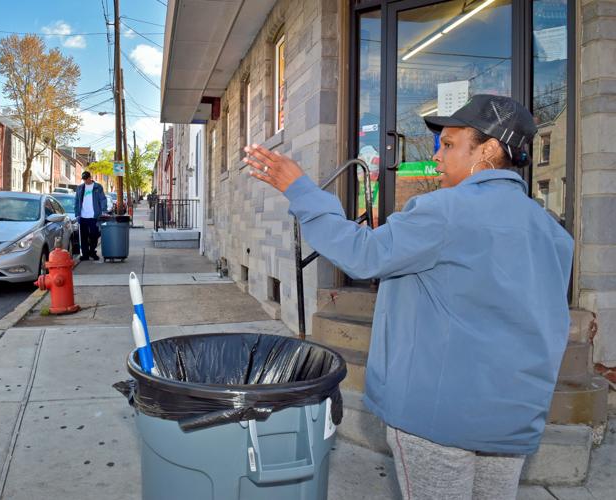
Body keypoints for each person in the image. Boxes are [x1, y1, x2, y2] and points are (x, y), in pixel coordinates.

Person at [244, 94, 573, 500]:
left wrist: (301, 191)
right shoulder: (553, 231)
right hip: (513, 414)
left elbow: (362, 254)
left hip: (439, 416)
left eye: (449, 144)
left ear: (487, 150)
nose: (437, 156)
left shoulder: (445, 210)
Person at [74, 171, 107, 261]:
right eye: (84, 179)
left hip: (94, 216)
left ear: (90, 177)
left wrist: (104, 210)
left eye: (86, 179)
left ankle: (92, 252)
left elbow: (102, 199)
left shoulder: (97, 187)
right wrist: (77, 214)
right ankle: (85, 254)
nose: (85, 181)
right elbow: (77, 201)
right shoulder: (80, 188)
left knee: (94, 235)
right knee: (83, 236)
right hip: (83, 216)